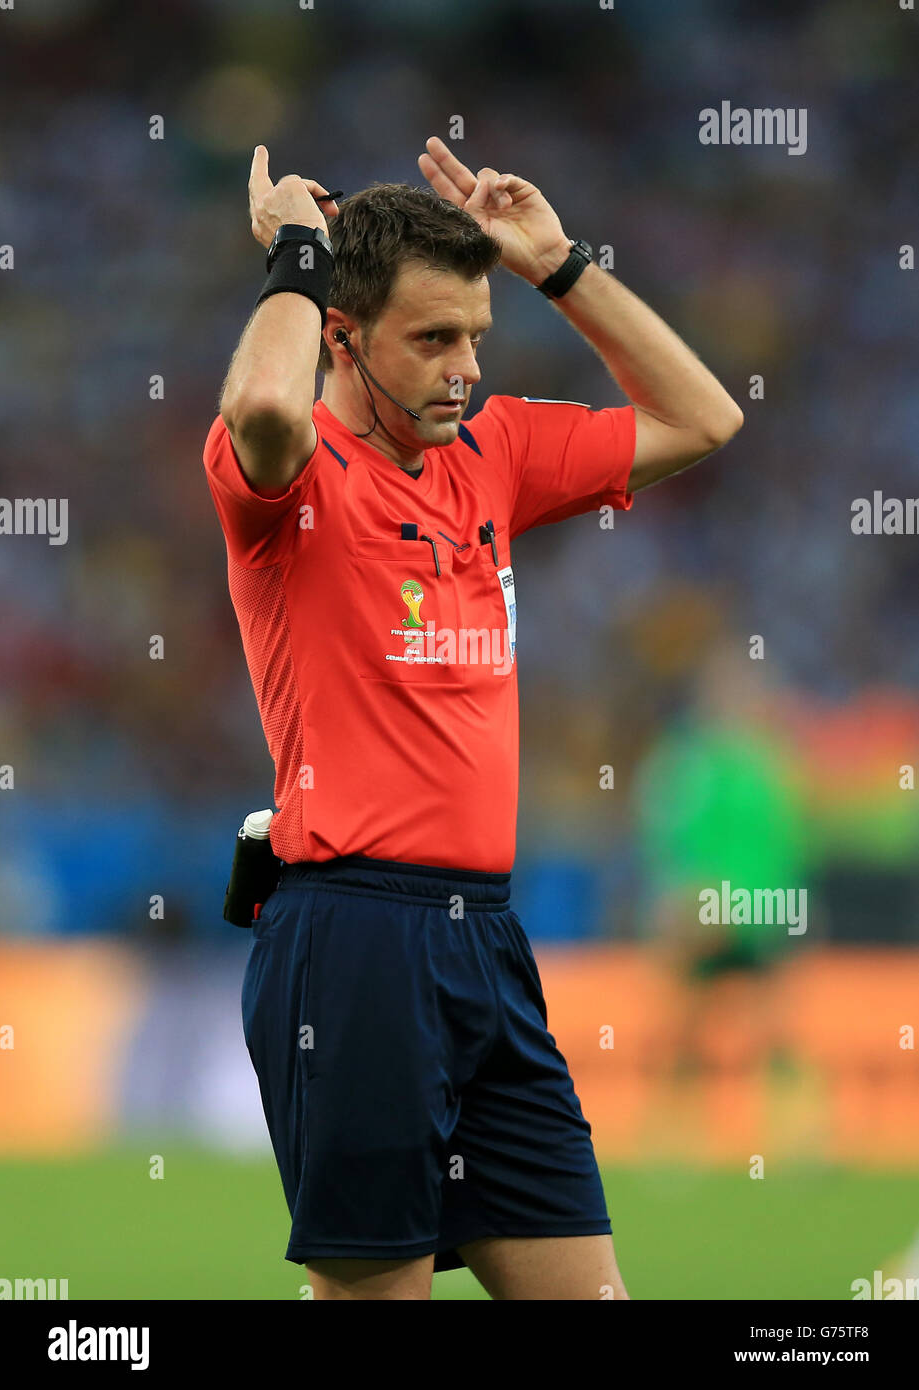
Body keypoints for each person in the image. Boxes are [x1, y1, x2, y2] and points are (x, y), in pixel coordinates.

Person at [202, 136, 744, 1300]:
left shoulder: (492, 452)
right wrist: (300, 256)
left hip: (485, 943)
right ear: (343, 335)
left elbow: (705, 419)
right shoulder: (291, 480)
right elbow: (260, 397)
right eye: (433, 339)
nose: (465, 370)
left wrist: (561, 268)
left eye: (477, 339)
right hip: (351, 937)